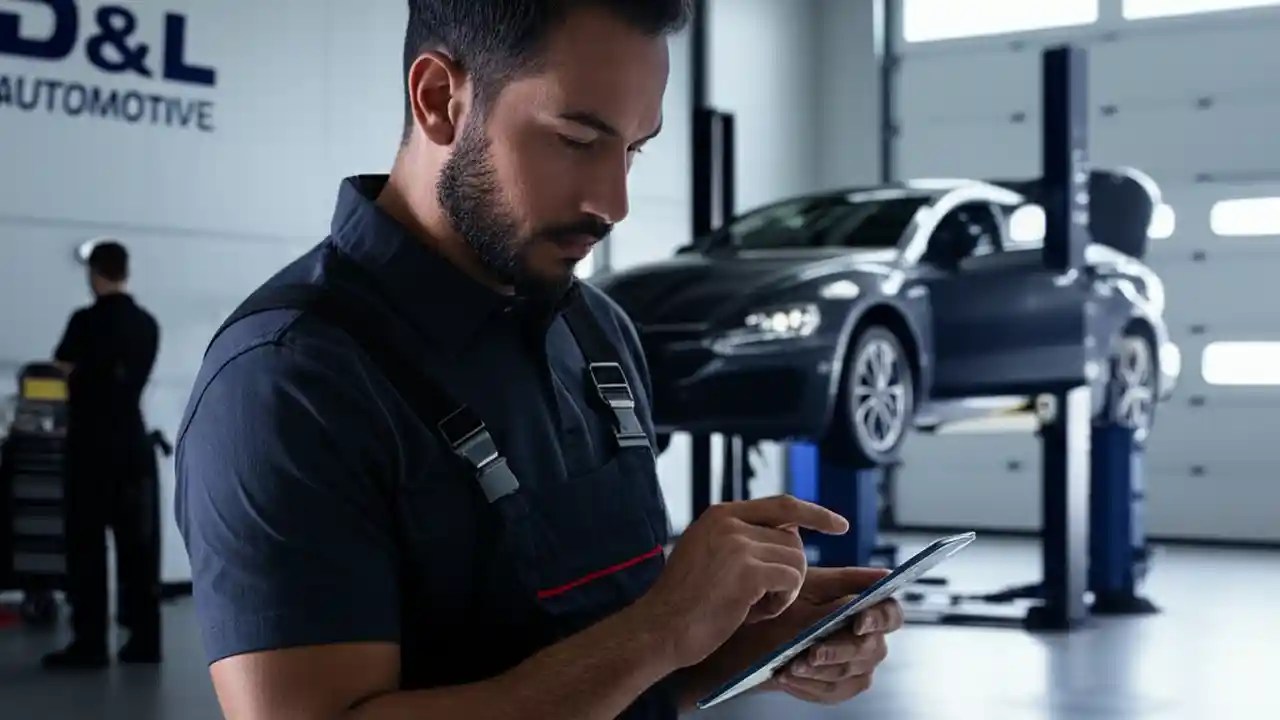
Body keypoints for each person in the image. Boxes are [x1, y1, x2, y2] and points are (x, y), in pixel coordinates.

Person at [175, 1, 904, 718]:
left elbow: (615, 675)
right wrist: (661, 631)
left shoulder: (597, 334)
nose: (614, 201)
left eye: (634, 149)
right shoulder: (287, 382)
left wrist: (744, 644)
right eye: (576, 139)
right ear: (439, 100)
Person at [44, 240, 162, 669]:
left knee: (86, 548)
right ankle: (144, 641)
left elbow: (61, 369)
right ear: (126, 271)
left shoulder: (85, 320)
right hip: (131, 444)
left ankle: (90, 643)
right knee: (137, 549)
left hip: (89, 447)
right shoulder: (147, 324)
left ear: (93, 273)